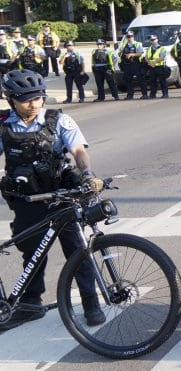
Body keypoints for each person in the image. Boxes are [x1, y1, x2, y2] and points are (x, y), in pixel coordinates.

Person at [0, 70, 106, 332]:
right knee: (32, 251)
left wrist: (88, 174)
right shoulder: (4, 125)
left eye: (37, 97)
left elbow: (78, 150)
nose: (33, 104)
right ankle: (30, 304)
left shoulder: (59, 120)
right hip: (26, 199)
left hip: (61, 197)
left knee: (77, 250)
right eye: (25, 99)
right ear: (11, 99)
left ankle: (91, 303)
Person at [118, 31, 146, 100]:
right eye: (128, 36)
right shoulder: (124, 45)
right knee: (128, 80)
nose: (129, 38)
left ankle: (144, 94)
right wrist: (122, 54)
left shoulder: (137, 44)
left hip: (135, 64)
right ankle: (130, 95)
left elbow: (140, 53)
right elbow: (119, 53)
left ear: (133, 37)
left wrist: (131, 54)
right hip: (126, 64)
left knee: (140, 79)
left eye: (131, 36)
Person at [144, 35, 170, 99]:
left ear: (157, 40)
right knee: (152, 81)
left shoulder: (162, 48)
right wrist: (149, 63)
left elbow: (161, 57)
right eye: (151, 40)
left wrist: (154, 63)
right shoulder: (149, 48)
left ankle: (165, 94)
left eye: (154, 40)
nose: (153, 41)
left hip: (160, 67)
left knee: (162, 81)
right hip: (152, 67)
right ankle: (152, 94)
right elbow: (146, 57)